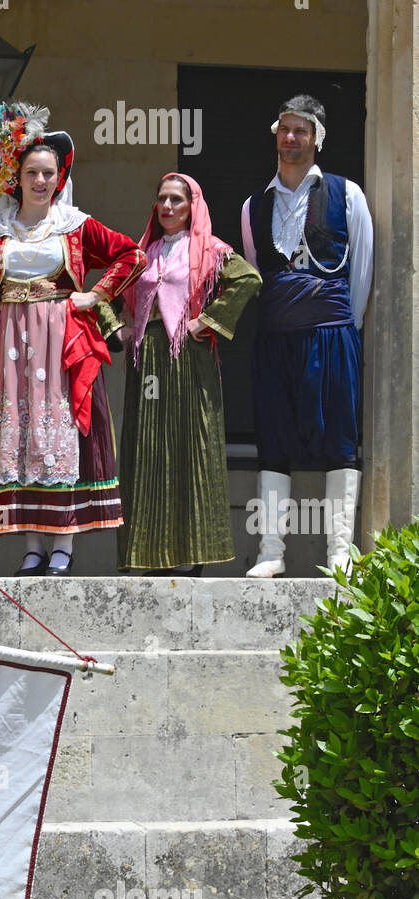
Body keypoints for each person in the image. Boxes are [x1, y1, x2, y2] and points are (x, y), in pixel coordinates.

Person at [0, 103, 145, 576]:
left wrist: (95, 295)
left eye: (49, 173)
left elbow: (132, 255)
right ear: (16, 177)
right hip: (11, 339)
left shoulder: (75, 226)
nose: (42, 181)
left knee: (58, 434)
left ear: (60, 179)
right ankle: (31, 546)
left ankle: (63, 545)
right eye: (32, 172)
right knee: (21, 437)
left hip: (60, 337)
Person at [240, 94, 373, 577]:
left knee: (340, 436)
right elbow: (258, 275)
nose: (290, 138)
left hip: (334, 335)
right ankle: (271, 552)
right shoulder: (253, 205)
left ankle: (340, 550)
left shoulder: (347, 194)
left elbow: (361, 274)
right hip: (276, 338)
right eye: (284, 129)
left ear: (317, 138)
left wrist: (342, 325)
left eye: (301, 130)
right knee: (273, 437)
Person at [110, 173, 261, 573]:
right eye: (161, 199)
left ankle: (192, 556)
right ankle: (148, 555)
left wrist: (206, 321)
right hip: (148, 361)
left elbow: (248, 278)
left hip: (188, 357)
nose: (167, 207)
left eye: (177, 200)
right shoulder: (141, 252)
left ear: (193, 205)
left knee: (188, 446)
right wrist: (117, 331)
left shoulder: (210, 249)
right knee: (147, 449)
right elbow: (99, 295)